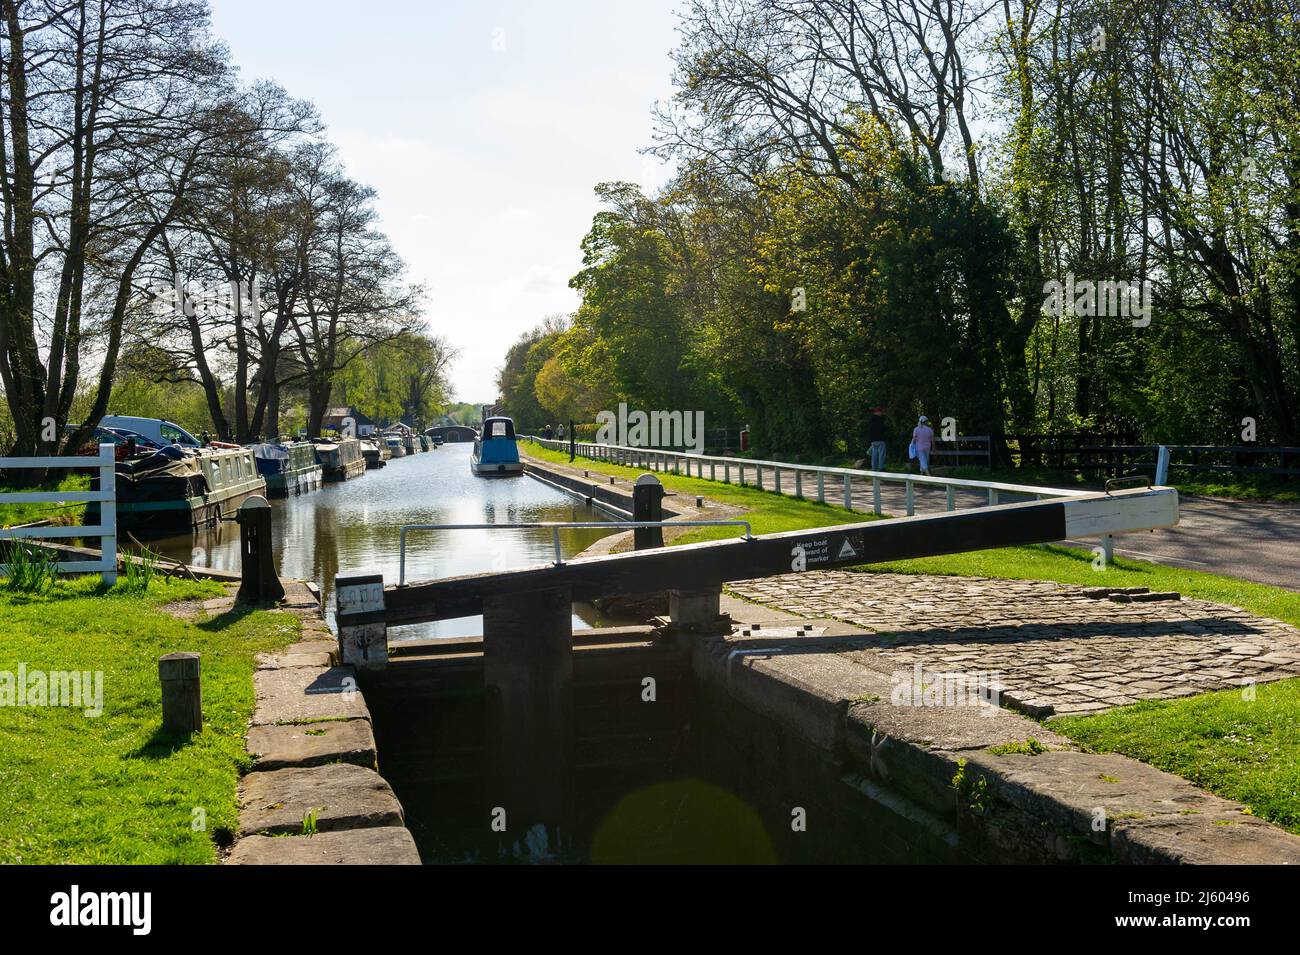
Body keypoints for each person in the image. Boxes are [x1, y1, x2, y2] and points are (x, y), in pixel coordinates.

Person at [867, 405, 887, 471]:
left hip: (873, 439)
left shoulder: (871, 419)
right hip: (880, 439)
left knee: (874, 455)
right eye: (881, 412)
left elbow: (870, 430)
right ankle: (881, 467)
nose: (882, 413)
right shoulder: (879, 419)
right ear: (878, 412)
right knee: (881, 454)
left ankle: (874, 468)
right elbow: (882, 429)